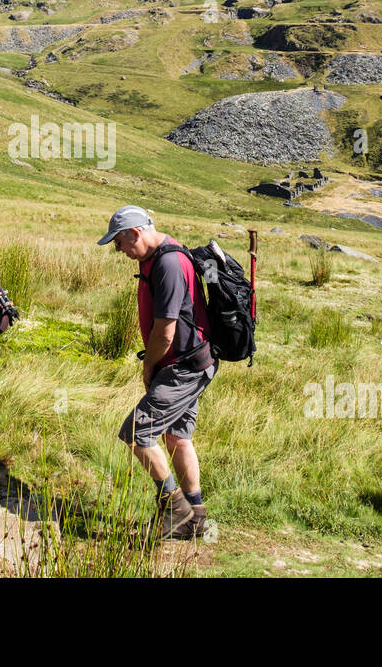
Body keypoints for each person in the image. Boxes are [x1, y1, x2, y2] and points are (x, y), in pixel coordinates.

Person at [99, 205, 215, 540]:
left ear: (135, 233)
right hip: (192, 361)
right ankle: (196, 517)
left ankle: (174, 508)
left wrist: (148, 368)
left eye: (120, 243)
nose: (119, 251)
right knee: (177, 436)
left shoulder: (167, 263)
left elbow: (165, 330)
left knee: (136, 432)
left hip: (182, 367)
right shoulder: (161, 256)